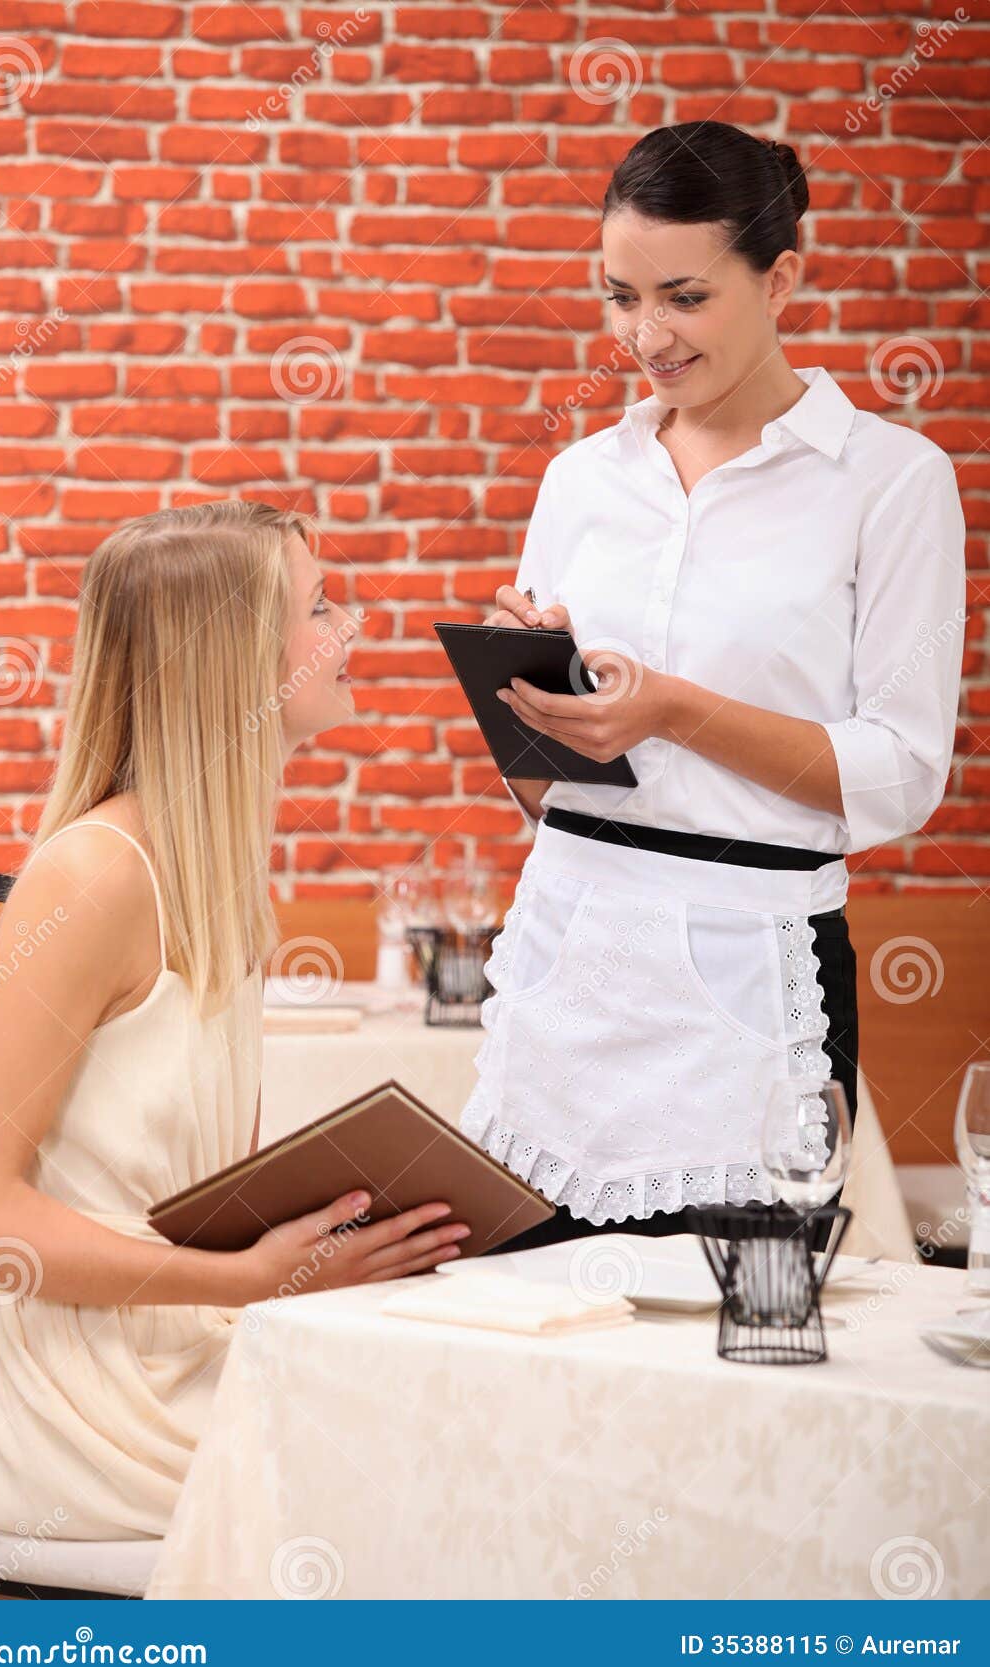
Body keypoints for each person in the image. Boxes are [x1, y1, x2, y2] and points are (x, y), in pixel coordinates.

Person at [456, 121, 966, 1256]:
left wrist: (671, 709)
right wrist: (536, 709)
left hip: (756, 969)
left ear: (780, 276)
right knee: (526, 1334)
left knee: (745, 1347)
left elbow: (897, 775)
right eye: (617, 297)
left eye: (682, 297)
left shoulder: (888, 485)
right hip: (568, 958)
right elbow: (544, 801)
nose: (644, 336)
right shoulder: (580, 480)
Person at [0, 502, 471, 1540]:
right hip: (80, 1408)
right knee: (430, 1500)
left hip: (186, 1345)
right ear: (234, 657)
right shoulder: (94, 876)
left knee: (469, 1427)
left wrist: (323, 1248)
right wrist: (242, 1280)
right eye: (317, 608)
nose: (347, 629)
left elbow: (191, 1194)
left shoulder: (218, 874)